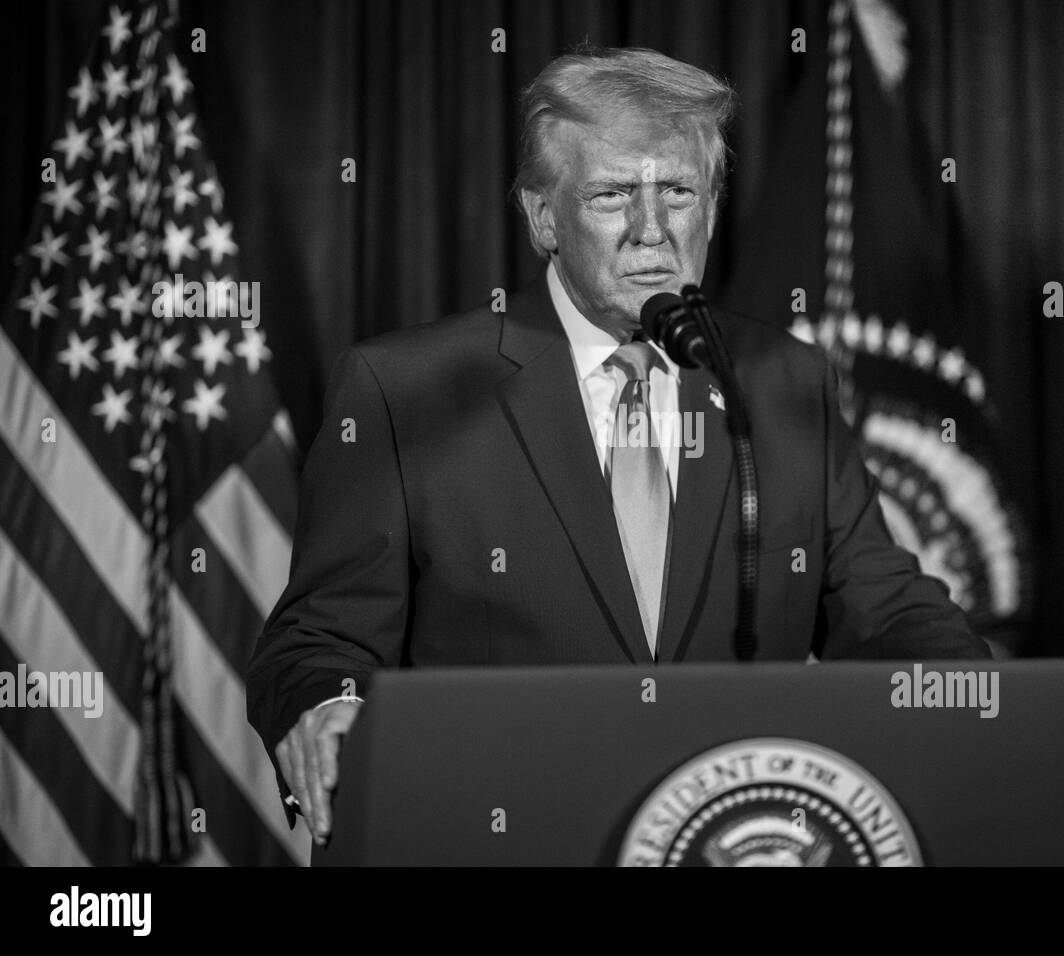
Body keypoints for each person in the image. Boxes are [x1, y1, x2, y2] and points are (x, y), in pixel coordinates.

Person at [246, 45, 989, 847]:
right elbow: (320, 638)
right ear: (542, 217)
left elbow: (885, 610)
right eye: (611, 196)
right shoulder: (405, 389)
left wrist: (989, 700)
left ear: (711, 205)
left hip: (727, 838)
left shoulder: (782, 383)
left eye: (677, 191)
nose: (651, 231)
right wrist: (328, 708)